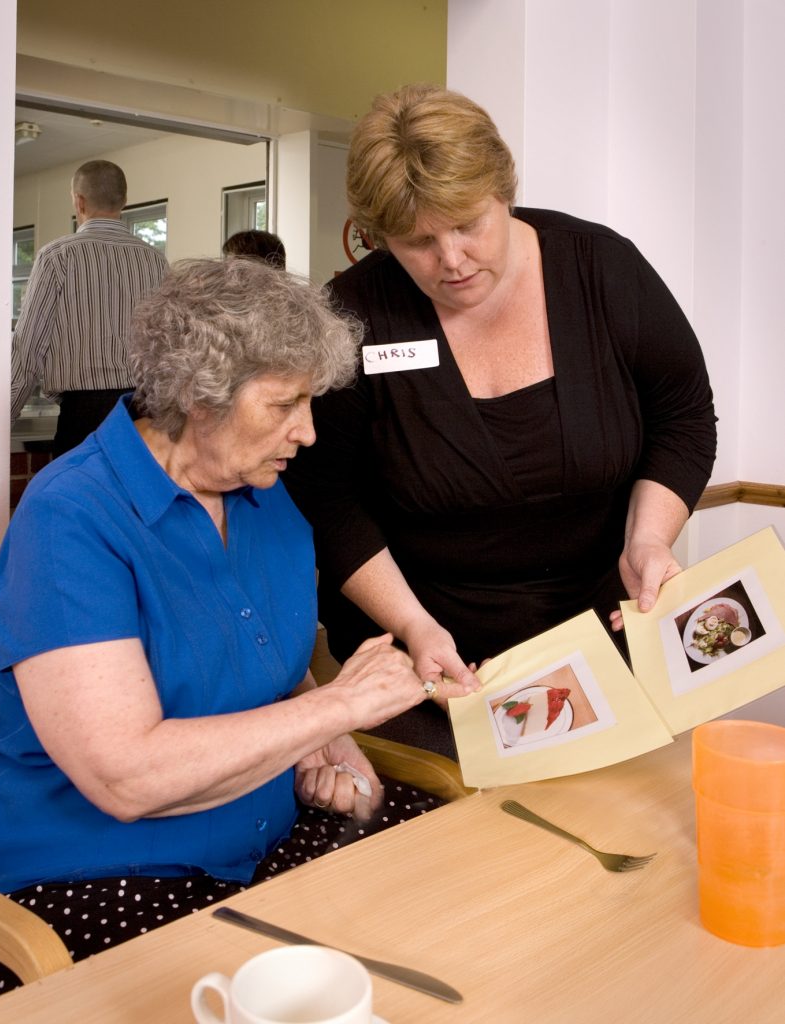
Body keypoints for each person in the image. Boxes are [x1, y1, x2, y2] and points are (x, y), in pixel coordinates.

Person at [0, 257, 477, 1006]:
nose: (306, 432)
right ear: (198, 400)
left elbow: (271, 664)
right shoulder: (70, 516)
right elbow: (126, 777)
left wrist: (327, 748)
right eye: (284, 405)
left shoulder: (266, 499)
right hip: (89, 870)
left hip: (261, 838)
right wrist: (338, 708)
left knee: (456, 898)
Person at [283, 84, 718, 756]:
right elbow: (327, 499)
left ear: (503, 191)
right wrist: (413, 626)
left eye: (467, 224)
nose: (450, 260)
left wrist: (649, 540)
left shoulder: (600, 269)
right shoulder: (355, 313)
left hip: (603, 644)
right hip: (434, 668)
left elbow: (683, 418)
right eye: (416, 242)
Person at [10, 159, 168, 456]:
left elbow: (28, 348)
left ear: (79, 202)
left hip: (84, 416)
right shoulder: (155, 260)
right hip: (145, 413)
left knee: (80, 500)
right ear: (123, 201)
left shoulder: (57, 257)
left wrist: (4, 417)